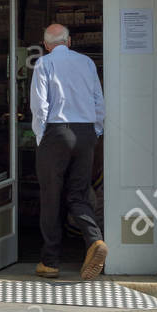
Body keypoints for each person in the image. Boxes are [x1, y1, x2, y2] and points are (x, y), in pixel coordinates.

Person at [29, 23, 107, 280]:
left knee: (51, 196)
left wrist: (42, 137)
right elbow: (98, 99)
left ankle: (50, 262)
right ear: (69, 41)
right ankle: (94, 240)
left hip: (56, 132)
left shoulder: (44, 64)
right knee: (79, 193)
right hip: (85, 133)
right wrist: (94, 131)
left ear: (46, 45)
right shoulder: (87, 63)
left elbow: (40, 106)